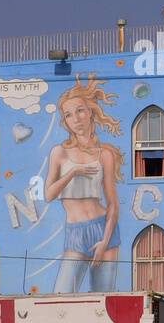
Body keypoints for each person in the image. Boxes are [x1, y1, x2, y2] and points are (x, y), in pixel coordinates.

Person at [47, 75, 124, 293]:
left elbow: (113, 204)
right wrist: (72, 173)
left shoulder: (105, 154)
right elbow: (49, 194)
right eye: (69, 115)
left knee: (103, 297)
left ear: (90, 112)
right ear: (66, 122)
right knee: (61, 296)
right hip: (76, 232)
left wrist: (105, 241)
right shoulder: (59, 153)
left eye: (80, 110)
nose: (76, 118)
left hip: (104, 229)